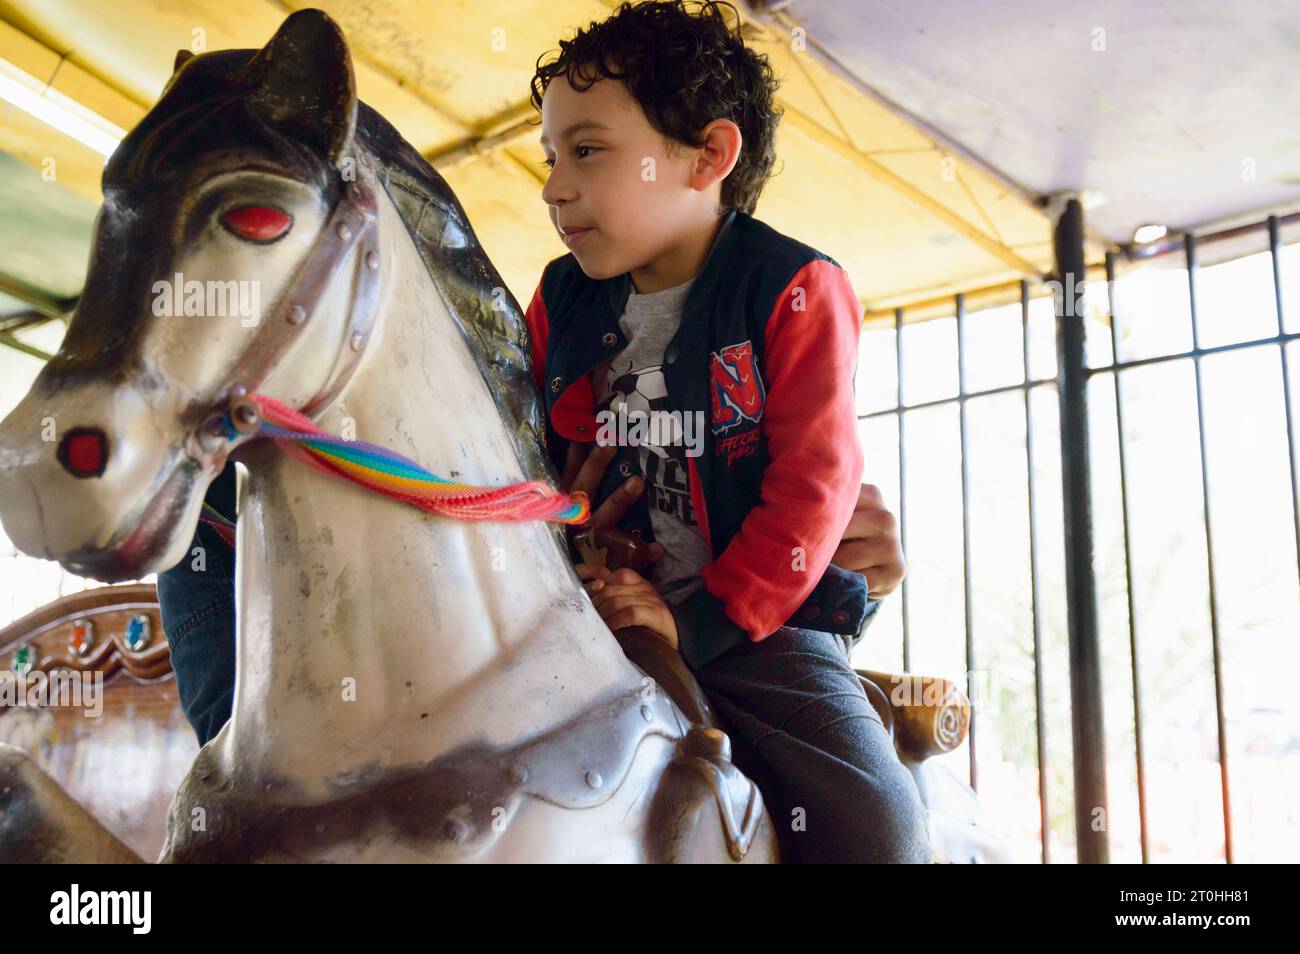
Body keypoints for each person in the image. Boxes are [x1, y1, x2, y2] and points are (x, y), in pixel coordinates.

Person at [522, 0, 931, 862]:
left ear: (709, 155)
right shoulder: (560, 299)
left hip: (753, 631)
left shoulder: (792, 290)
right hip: (585, 610)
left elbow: (813, 488)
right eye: (551, 154)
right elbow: (514, 445)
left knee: (877, 830)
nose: (554, 185)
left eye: (586, 151)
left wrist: (701, 623)